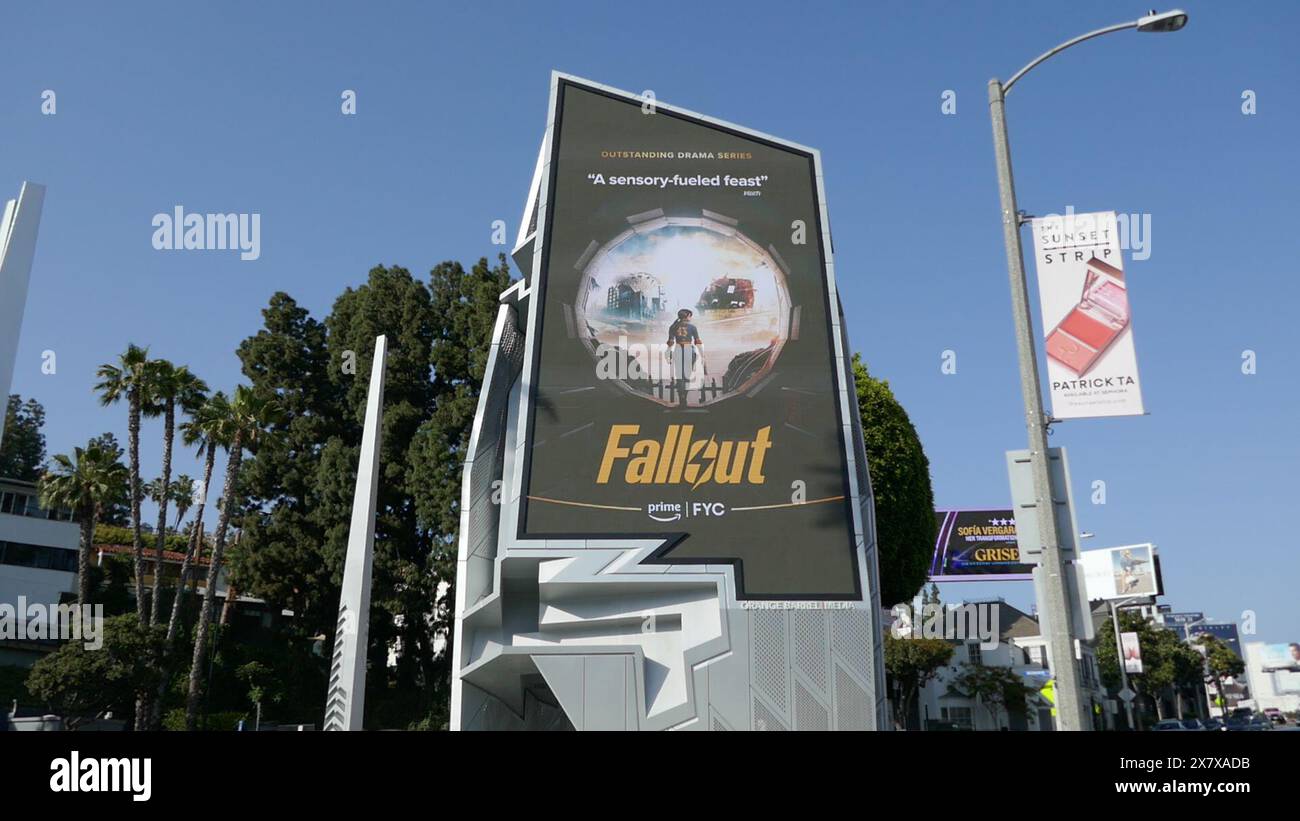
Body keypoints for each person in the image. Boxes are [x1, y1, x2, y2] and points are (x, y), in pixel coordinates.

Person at [665, 308, 702, 408]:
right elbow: (698, 342)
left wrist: (668, 353)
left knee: (679, 376)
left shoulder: (673, 327)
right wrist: (702, 355)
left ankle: (681, 397)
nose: (691, 318)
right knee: (687, 376)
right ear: (687, 316)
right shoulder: (692, 327)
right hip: (689, 351)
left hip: (678, 351)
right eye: (690, 316)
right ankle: (684, 397)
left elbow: (670, 342)